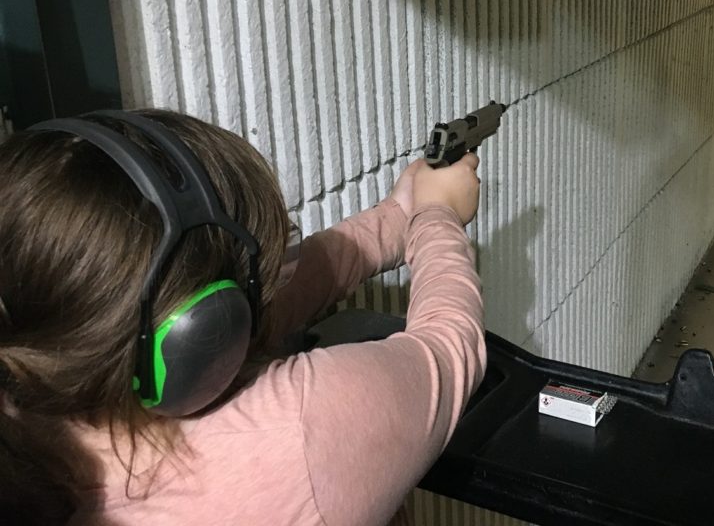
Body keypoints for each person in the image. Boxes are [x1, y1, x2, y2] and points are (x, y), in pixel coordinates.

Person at [0, 109, 486, 525]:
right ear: (209, 328)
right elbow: (448, 347)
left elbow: (261, 306)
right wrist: (438, 216)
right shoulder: (298, 427)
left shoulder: (26, 416)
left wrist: (399, 215)